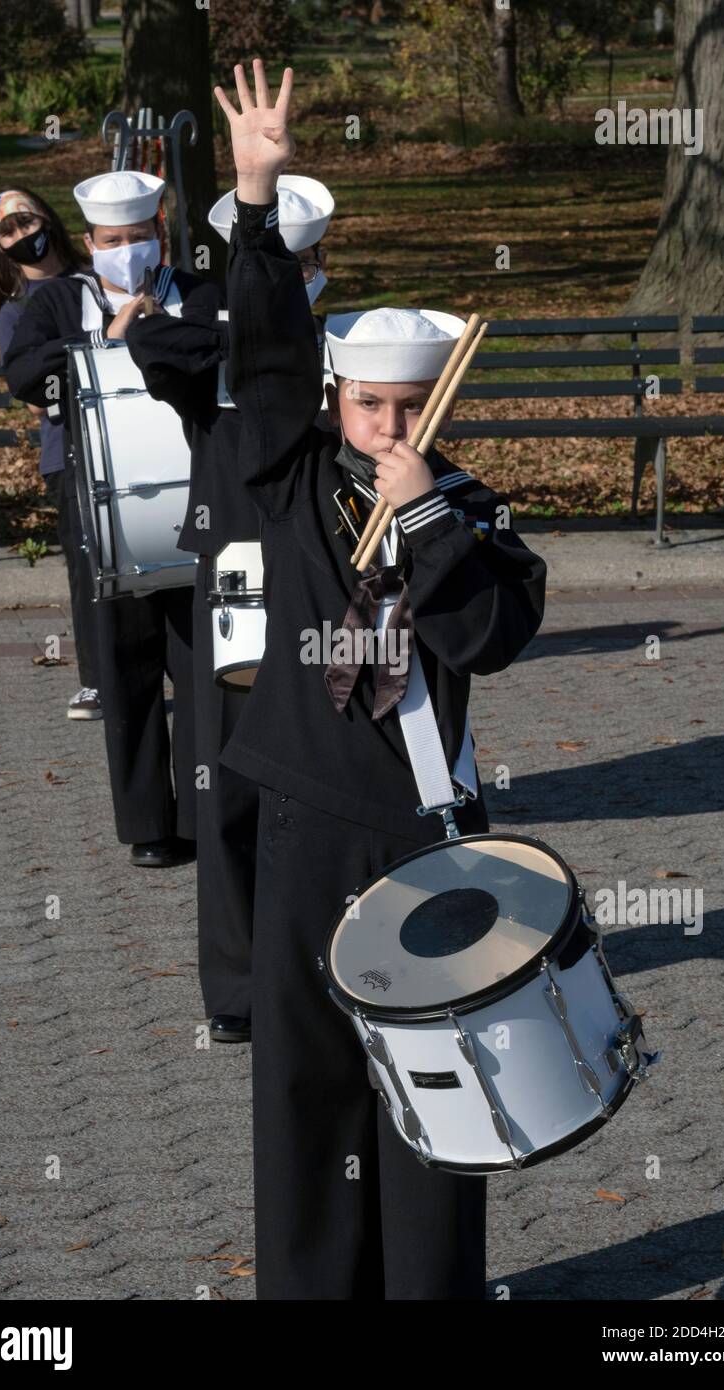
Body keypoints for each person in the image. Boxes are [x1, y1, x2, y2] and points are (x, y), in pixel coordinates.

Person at [213, 59, 547, 1299]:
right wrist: (257, 198)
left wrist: (433, 525)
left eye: (411, 408)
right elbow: (260, 353)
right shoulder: (289, 472)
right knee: (302, 1077)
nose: (388, 429)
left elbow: (493, 637)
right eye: (367, 407)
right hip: (302, 810)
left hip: (420, 825)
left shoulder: (466, 506)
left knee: (431, 1087)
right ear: (336, 400)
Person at [126, 174, 335, 1038]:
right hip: (242, 572)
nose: (292, 270)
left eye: (300, 256)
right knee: (232, 778)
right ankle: (242, 988)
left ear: (321, 259)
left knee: (328, 772)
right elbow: (153, 347)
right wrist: (247, 331)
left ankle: (332, 962)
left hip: (330, 576)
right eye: (272, 257)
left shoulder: (347, 342)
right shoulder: (208, 338)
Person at [3, 171, 202, 868]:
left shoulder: (195, 294)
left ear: (160, 236)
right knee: (126, 667)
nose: (127, 250)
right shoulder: (58, 299)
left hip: (196, 505)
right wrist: (105, 343)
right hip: (100, 502)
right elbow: (26, 373)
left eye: (139, 236)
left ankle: (208, 814)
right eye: (112, 240)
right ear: (88, 243)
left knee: (202, 667)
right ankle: (150, 826)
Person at [0, 187, 101, 719]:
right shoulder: (16, 313)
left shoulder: (100, 279)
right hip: (67, 453)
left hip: (137, 449)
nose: (22, 234)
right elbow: (31, 389)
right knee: (89, 569)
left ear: (47, 217)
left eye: (26, 220)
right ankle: (97, 680)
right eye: (8, 231)